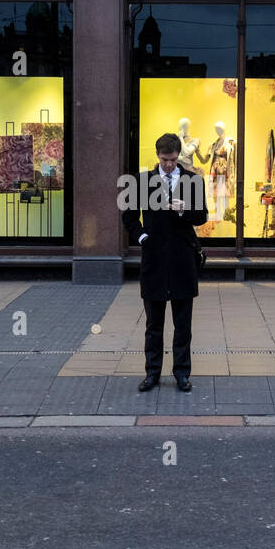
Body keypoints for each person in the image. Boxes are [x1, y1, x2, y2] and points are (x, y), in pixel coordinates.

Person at [122, 133, 209, 391]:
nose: (169, 164)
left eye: (172, 160)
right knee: (153, 324)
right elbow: (128, 217)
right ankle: (152, 373)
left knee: (183, 324)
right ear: (157, 156)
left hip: (183, 260)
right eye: (164, 159)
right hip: (154, 259)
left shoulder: (193, 180)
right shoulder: (141, 181)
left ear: (178, 156)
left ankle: (182, 373)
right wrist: (142, 237)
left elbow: (202, 216)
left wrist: (184, 209)